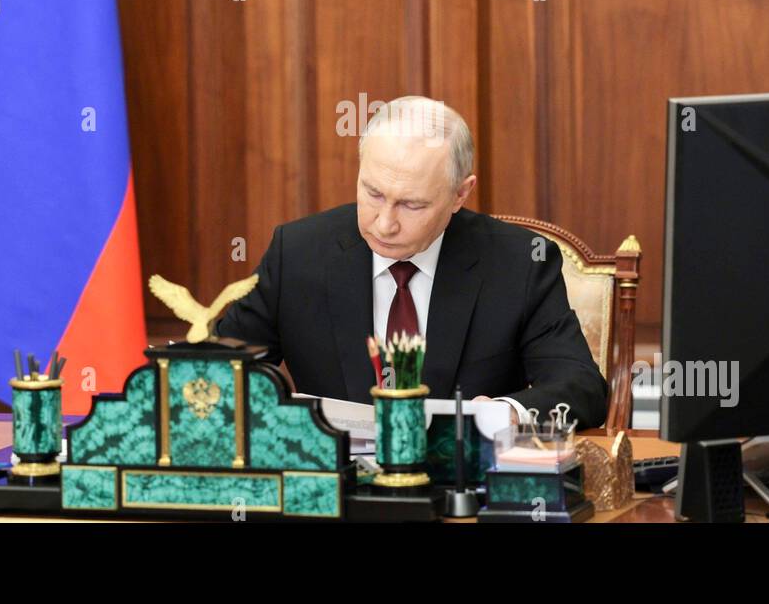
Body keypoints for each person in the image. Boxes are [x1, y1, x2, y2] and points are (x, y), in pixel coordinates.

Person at [217, 95, 609, 427]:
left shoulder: (518, 263)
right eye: (373, 193)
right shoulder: (298, 253)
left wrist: (506, 412)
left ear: (460, 194)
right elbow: (224, 367)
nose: (385, 224)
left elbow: (581, 386)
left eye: (412, 204)